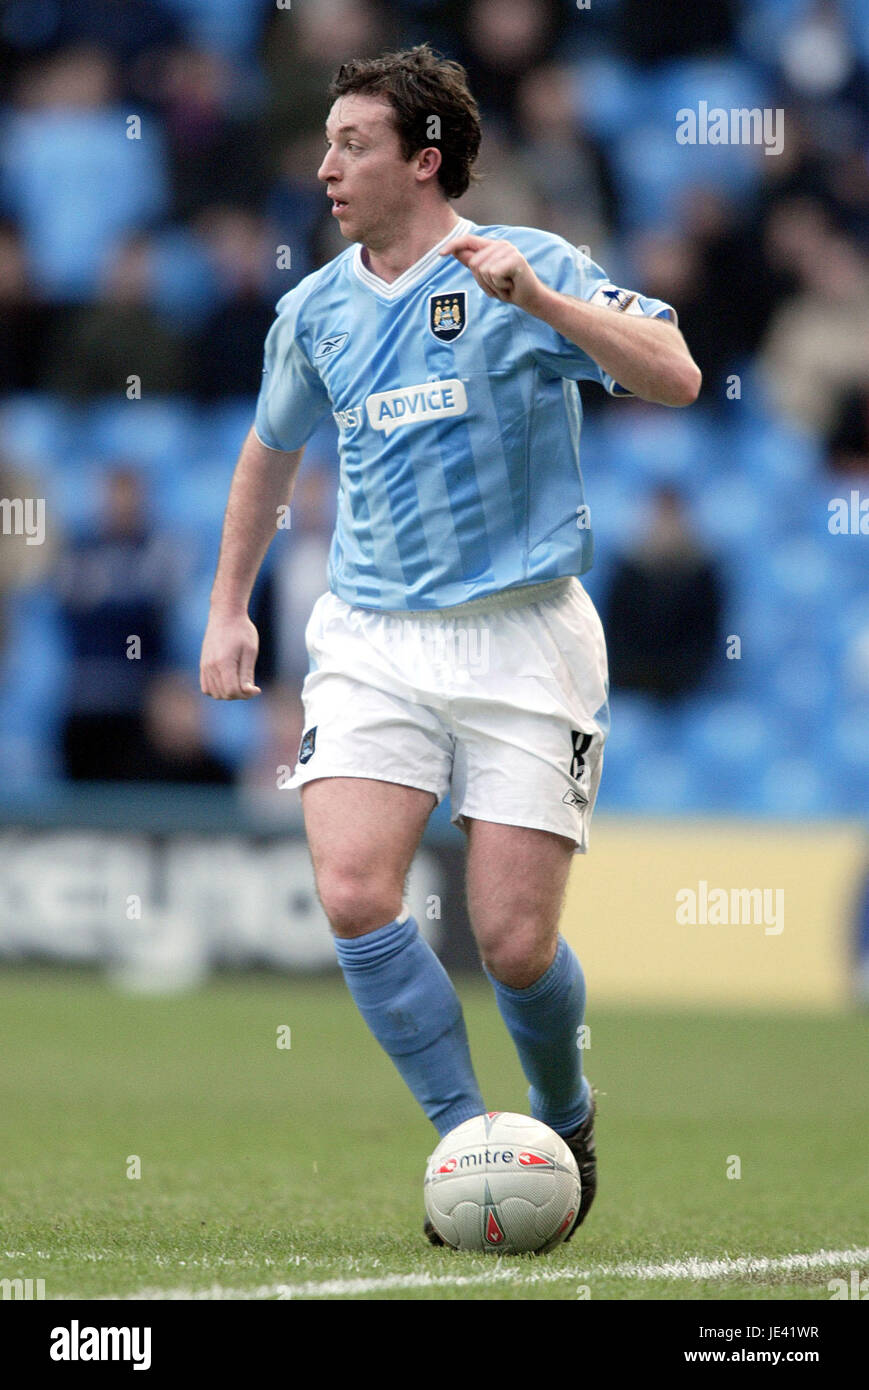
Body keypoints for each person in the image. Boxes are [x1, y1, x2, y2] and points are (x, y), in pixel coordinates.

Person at [199, 44, 700, 1244]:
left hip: (524, 638)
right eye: (325, 142)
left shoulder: (526, 269)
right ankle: (470, 1143)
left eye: (352, 143)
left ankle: (562, 1118)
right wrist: (229, 606)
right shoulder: (313, 312)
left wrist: (542, 302)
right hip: (373, 637)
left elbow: (676, 377)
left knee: (517, 947)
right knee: (355, 889)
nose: (325, 165)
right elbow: (268, 454)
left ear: (425, 161)